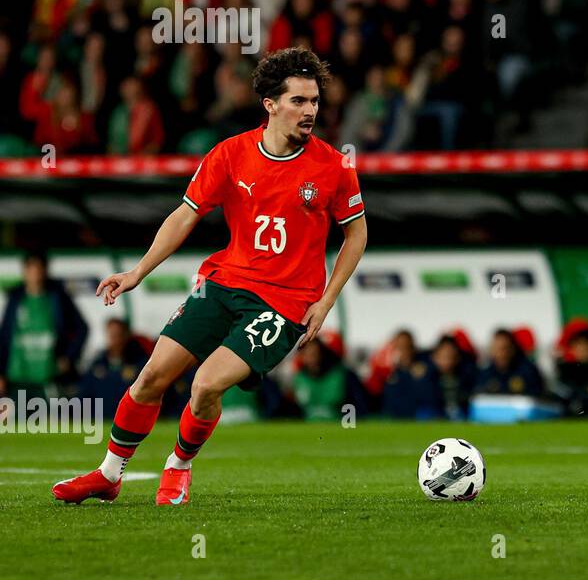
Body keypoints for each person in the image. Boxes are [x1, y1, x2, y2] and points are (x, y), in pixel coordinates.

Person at [53, 47, 368, 506]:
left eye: (315, 101)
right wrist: (138, 271)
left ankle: (178, 466)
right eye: (299, 101)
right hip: (223, 284)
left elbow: (355, 235)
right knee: (151, 377)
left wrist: (327, 299)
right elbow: (185, 214)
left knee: (205, 385)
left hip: (284, 302)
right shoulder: (230, 154)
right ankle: (108, 474)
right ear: (271, 105)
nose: (310, 111)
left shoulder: (333, 166)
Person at [0, 250, 88, 399]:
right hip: (17, 376)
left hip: (48, 376)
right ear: (25, 271)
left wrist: (69, 357)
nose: (35, 274)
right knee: (15, 421)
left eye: (39, 268)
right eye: (31, 268)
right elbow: (5, 336)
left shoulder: (57, 297)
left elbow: (82, 328)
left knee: (50, 421)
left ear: (45, 270)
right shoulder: (15, 298)